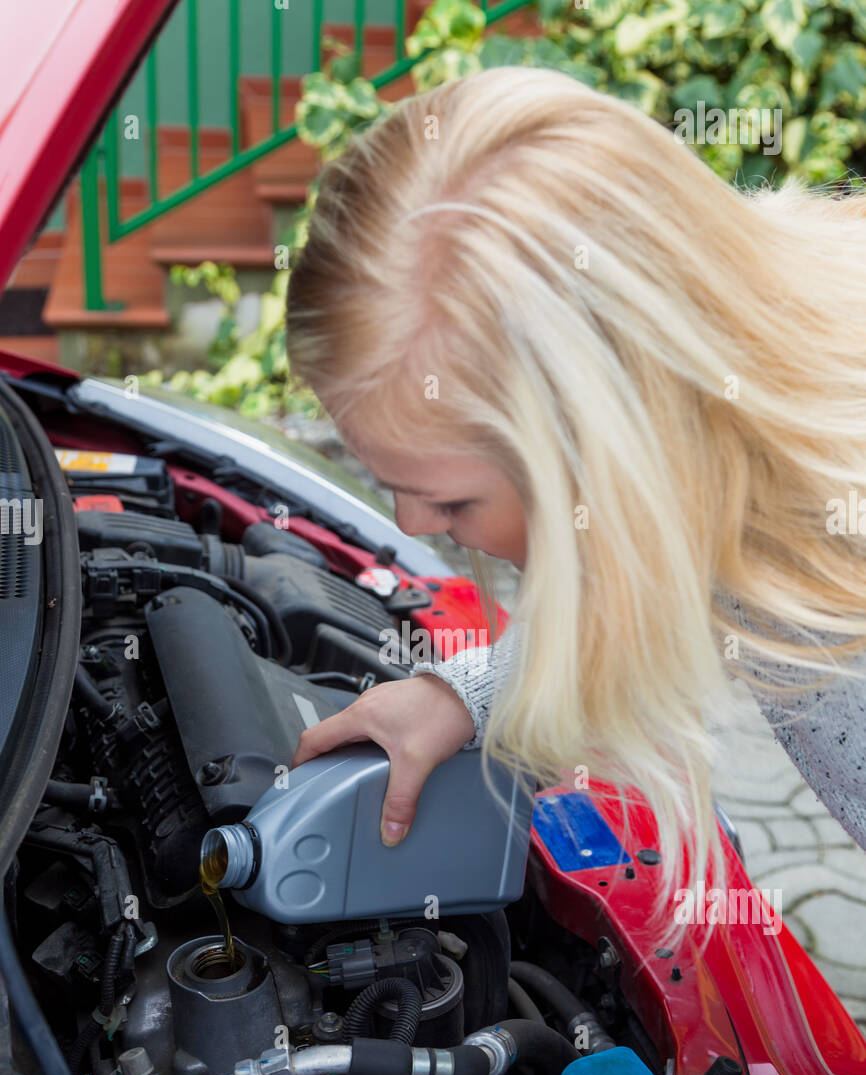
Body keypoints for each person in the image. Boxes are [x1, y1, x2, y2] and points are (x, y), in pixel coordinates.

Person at [284, 64, 866, 926]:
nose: (413, 525)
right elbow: (641, 557)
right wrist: (463, 693)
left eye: (451, 507)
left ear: (618, 450)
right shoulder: (735, 391)